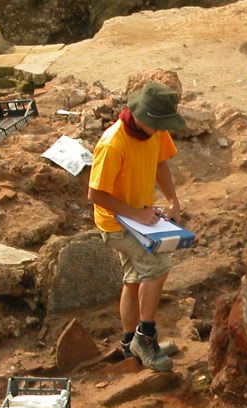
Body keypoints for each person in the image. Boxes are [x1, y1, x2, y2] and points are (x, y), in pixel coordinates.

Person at [87, 81, 185, 372]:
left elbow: (160, 164)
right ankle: (146, 337)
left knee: (133, 279)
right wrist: (135, 214)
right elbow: (95, 194)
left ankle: (130, 343)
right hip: (115, 223)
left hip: (138, 218)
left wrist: (173, 200)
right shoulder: (112, 143)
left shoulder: (155, 130)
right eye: (159, 124)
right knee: (158, 267)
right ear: (142, 117)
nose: (162, 129)